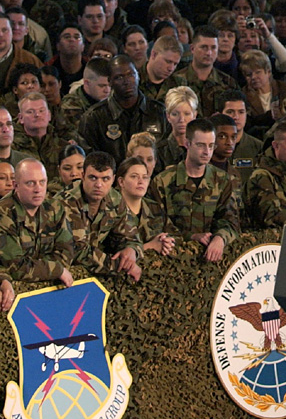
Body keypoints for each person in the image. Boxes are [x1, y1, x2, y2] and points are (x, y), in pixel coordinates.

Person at [154, 118, 240, 260]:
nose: (207, 152)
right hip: (173, 259)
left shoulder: (223, 180)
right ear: (187, 144)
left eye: (211, 146)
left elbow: (230, 221)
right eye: (201, 145)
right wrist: (191, 237)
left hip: (211, 259)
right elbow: (157, 226)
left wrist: (220, 238)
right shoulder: (163, 181)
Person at [0, 158, 74, 311]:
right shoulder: (4, 214)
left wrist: (42, 268)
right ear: (16, 185)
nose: (38, 189)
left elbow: (67, 252)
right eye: (30, 183)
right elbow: (17, 267)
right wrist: (56, 270)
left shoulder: (54, 208)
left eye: (42, 182)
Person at [61, 151, 143, 279]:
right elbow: (78, 252)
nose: (99, 185)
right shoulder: (67, 202)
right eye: (93, 178)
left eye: (105, 179)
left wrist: (132, 251)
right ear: (83, 176)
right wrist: (119, 265)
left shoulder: (114, 199)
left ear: (113, 179)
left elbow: (131, 236)